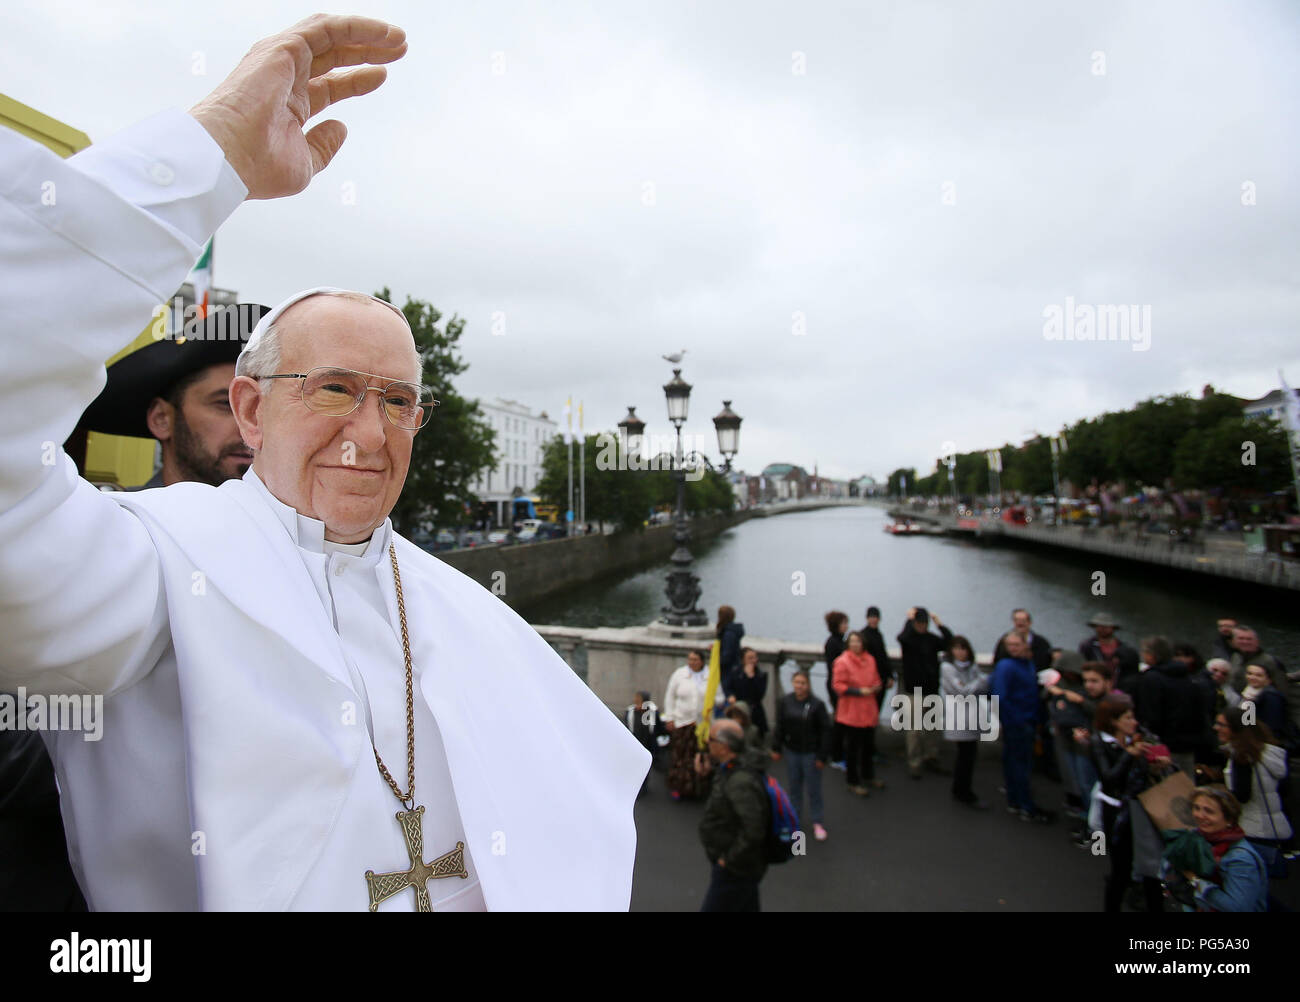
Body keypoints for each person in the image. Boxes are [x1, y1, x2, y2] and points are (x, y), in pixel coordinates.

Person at [0, 14, 647, 911]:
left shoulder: (461, 606)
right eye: (336, 388)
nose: (372, 434)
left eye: (398, 401)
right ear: (254, 410)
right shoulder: (158, 565)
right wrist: (207, 157)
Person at [77, 304, 270, 488]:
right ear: (161, 419)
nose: (252, 424)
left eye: (262, 408)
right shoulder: (115, 521)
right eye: (225, 405)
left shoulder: (281, 522)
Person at [1088, 693, 1167, 912]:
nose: (1134, 722)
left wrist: (1155, 765)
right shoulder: (1100, 742)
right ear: (1113, 721)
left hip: (1142, 809)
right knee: (1121, 870)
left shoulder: (1139, 738)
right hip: (1116, 811)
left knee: (1151, 868)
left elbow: (1142, 774)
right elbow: (1109, 779)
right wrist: (1128, 756)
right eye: (1128, 718)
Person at [697, 719, 769, 912]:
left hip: (735, 870)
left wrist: (727, 861)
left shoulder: (740, 781)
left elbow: (753, 829)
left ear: (724, 746)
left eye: (710, 739)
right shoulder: (732, 768)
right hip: (740, 869)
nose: (706, 743)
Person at [1163, 786, 1268, 912]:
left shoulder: (1240, 858)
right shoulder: (1194, 840)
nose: (1200, 815)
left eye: (1209, 811)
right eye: (1196, 808)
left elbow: (1237, 908)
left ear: (1229, 819)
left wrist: (1195, 880)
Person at [1206, 707, 1292, 848]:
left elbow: (1242, 796)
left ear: (1236, 728)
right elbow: (1284, 790)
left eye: (1222, 725)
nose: (1216, 728)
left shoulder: (1241, 757)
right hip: (1275, 832)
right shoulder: (1269, 753)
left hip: (1252, 831)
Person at [991, 633, 1051, 822]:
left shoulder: (1027, 664)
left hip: (1027, 719)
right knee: (1020, 764)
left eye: (1017, 644)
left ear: (1026, 644)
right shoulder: (1006, 666)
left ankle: (1015, 801)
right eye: (1010, 645)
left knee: (1015, 761)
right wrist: (1014, 719)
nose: (1013, 648)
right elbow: (999, 696)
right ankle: (1026, 805)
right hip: (1019, 722)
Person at [1132, 635, 1209, 777]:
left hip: (1163, 743)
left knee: (1161, 786)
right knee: (1185, 784)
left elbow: (1149, 714)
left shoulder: (1151, 679)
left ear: (1151, 655)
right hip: (1189, 743)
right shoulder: (1189, 677)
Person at [770, 670, 831, 841]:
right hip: (792, 750)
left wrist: (822, 756)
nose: (800, 686)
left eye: (803, 683)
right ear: (793, 683)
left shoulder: (817, 705)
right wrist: (776, 747)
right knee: (794, 787)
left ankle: (817, 821)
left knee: (813, 788)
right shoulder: (785, 702)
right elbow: (780, 726)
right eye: (797, 682)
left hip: (811, 752)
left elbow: (825, 731)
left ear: (808, 685)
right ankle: (794, 820)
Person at [896, 607, 952, 779]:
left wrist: (939, 623)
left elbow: (949, 642)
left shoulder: (932, 639)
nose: (921, 626)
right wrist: (908, 619)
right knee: (914, 729)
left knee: (933, 728)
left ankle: (931, 757)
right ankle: (914, 762)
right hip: (914, 691)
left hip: (932, 689)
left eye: (924, 623)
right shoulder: (908, 639)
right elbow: (901, 636)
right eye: (918, 623)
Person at [940, 635, 989, 809]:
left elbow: (977, 689)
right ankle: (963, 792)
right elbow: (963, 690)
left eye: (963, 648)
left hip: (973, 715)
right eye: (957, 648)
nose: (960, 652)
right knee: (965, 754)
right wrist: (979, 681)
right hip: (960, 716)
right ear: (951, 651)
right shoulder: (948, 668)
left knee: (968, 754)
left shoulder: (972, 667)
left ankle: (960, 789)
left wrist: (975, 685)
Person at [831, 631, 883, 796]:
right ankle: (852, 781)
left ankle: (868, 776)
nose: (855, 644)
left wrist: (876, 686)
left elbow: (876, 679)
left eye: (858, 641)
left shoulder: (870, 659)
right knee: (853, 749)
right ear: (848, 644)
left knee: (868, 746)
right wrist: (859, 691)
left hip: (868, 709)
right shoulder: (842, 661)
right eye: (852, 641)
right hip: (851, 710)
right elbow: (838, 685)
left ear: (863, 643)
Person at [664, 650, 710, 801]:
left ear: (702, 661)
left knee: (698, 756)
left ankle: (696, 788)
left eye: (695, 659)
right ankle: (677, 786)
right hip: (682, 721)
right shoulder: (679, 674)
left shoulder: (710, 676)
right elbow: (670, 696)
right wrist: (670, 717)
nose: (692, 662)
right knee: (679, 755)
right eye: (690, 659)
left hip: (701, 724)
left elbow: (717, 697)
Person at [1077, 612, 1140, 696]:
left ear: (1113, 628)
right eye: (1099, 626)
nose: (1101, 629)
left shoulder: (1124, 648)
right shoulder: (1087, 646)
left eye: (1105, 626)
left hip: (1118, 688)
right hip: (1094, 688)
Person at [625, 691, 665, 797]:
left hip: (647, 744)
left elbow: (658, 728)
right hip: (635, 744)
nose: (636, 701)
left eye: (639, 699)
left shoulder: (652, 712)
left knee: (644, 767)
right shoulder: (630, 712)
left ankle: (643, 787)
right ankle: (636, 787)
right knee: (634, 767)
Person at [1239, 664, 1292, 747]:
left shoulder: (1271, 696)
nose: (1252, 677)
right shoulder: (1248, 693)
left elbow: (1273, 726)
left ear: (1268, 679)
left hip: (1265, 744)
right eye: (1249, 673)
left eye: (1259, 675)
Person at [823, 611, 849, 769]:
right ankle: (836, 756)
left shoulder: (838, 641)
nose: (846, 626)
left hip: (836, 685)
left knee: (840, 721)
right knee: (840, 722)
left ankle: (837, 753)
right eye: (844, 623)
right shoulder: (834, 643)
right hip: (836, 687)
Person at [859, 605, 894, 720]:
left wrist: (889, 675)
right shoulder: (863, 635)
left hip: (881, 679)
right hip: (869, 681)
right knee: (867, 711)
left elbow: (883, 656)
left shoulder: (878, 634)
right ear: (867, 618)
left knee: (875, 711)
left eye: (876, 617)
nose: (874, 619)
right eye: (871, 617)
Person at [726, 647, 769, 737]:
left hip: (755, 712)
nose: (753, 661)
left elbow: (759, 695)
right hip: (738, 710)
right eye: (750, 658)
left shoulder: (761, 674)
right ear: (743, 660)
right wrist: (730, 695)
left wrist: (751, 678)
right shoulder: (735, 672)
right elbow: (728, 687)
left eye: (755, 657)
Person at [716, 605, 745, 710]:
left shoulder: (728, 634)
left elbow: (727, 655)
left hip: (728, 672)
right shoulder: (732, 631)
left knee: (727, 696)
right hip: (733, 669)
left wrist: (717, 662)